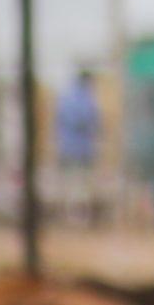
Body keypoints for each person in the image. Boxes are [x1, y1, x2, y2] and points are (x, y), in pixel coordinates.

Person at [54, 69, 101, 228]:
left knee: (71, 184)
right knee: (80, 184)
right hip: (80, 149)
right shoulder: (85, 98)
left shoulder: (66, 96)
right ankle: (78, 219)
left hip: (67, 147)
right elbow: (90, 121)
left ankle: (70, 217)